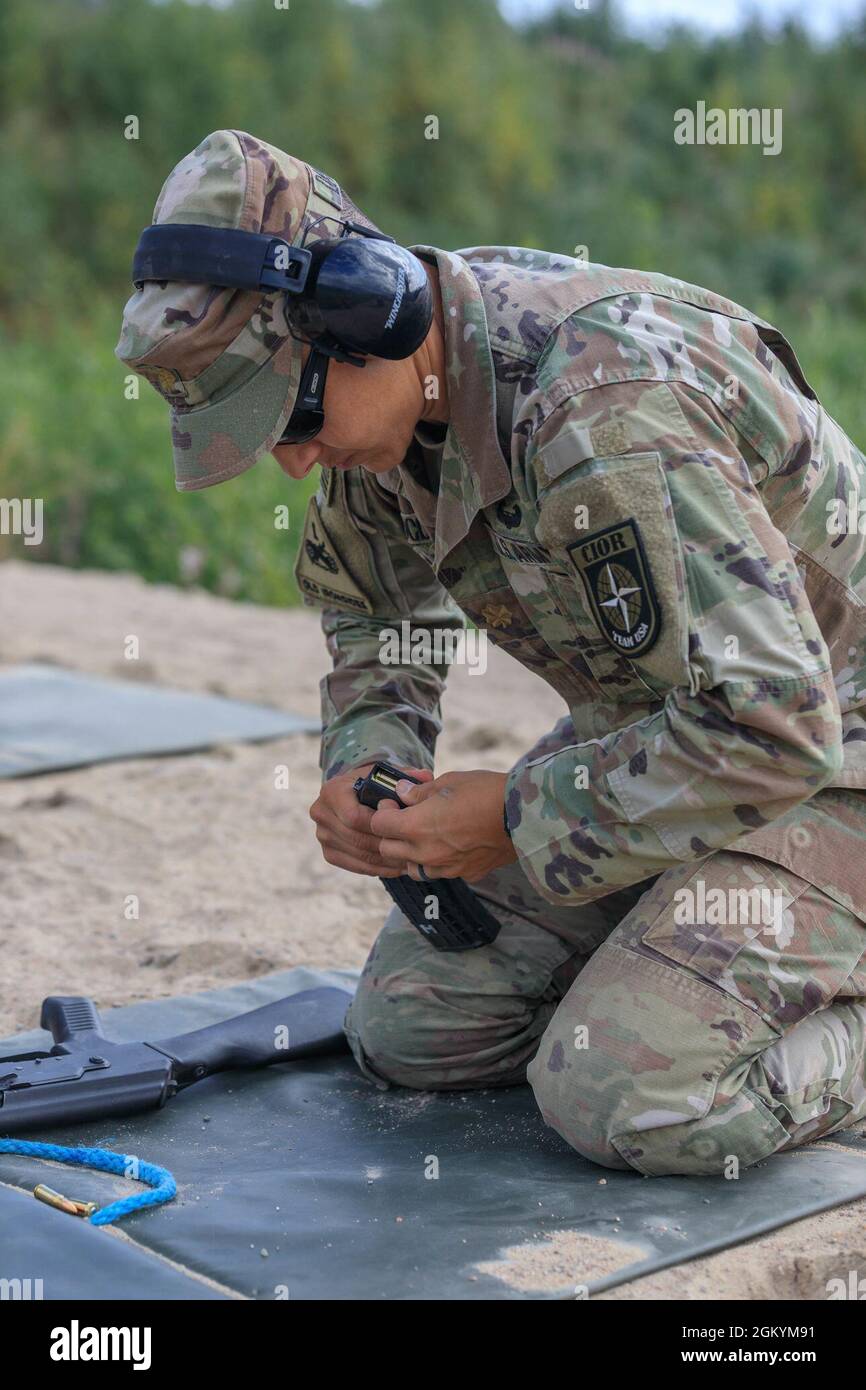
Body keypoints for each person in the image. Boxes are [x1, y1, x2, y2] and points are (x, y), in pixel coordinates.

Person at [118, 129, 866, 1176]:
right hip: (680, 747)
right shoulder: (387, 405)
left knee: (625, 1092)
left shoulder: (603, 410)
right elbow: (375, 611)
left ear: (370, 308)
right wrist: (366, 767)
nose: (291, 462)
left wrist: (517, 814)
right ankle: (681, 972)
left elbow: (776, 728)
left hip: (828, 757)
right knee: (417, 1029)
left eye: (287, 414)